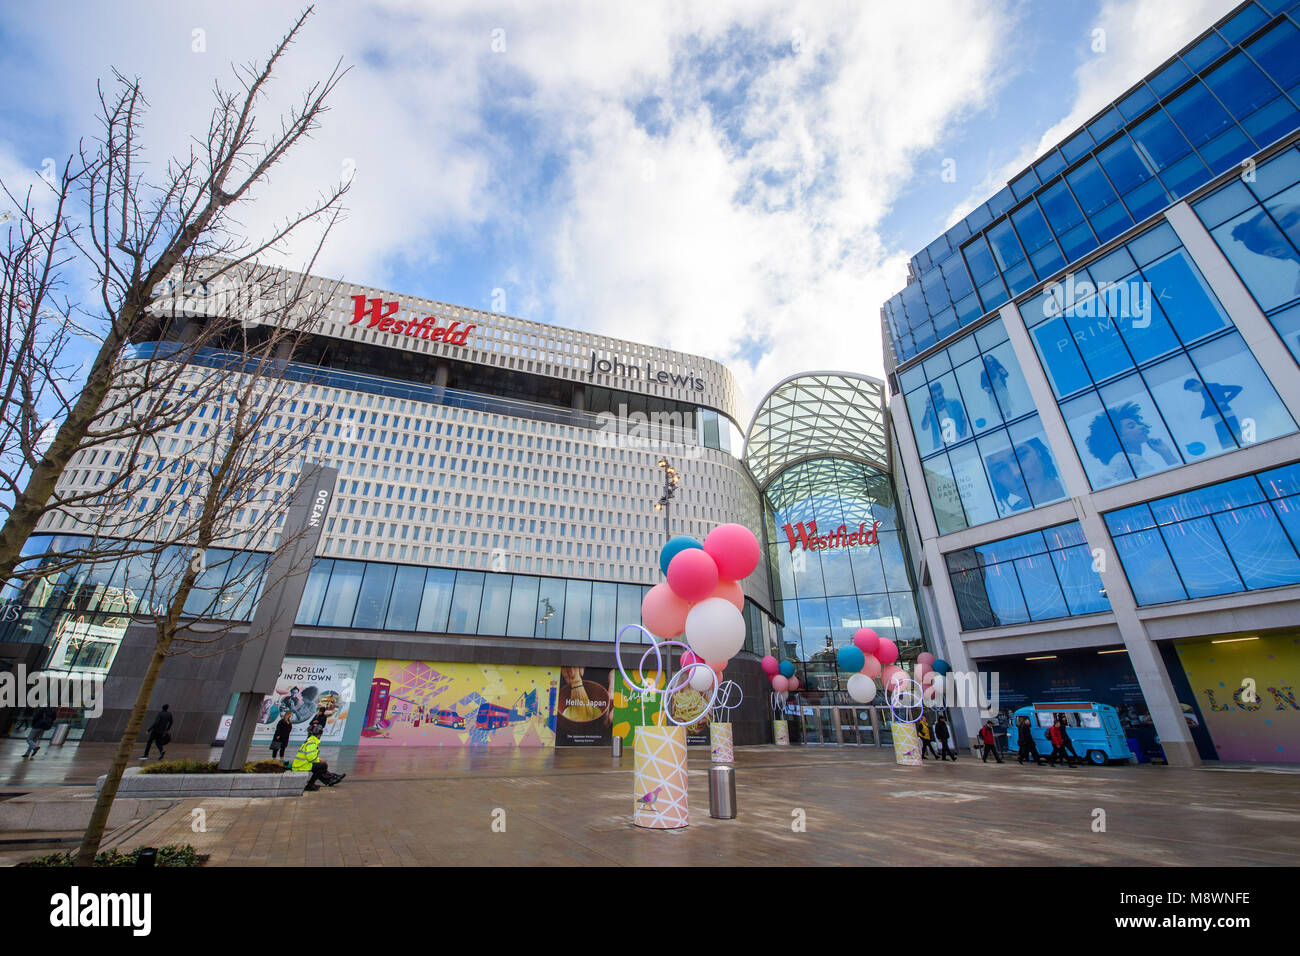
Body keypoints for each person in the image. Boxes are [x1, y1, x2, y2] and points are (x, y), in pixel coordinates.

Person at [1086, 401, 1178, 483]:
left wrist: (1165, 452)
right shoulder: (1124, 460)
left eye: (1138, 424)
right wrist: (1167, 454)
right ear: (1119, 438)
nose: (1141, 427)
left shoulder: (1130, 460)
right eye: (1131, 426)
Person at [1184, 378, 1244, 450]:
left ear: (1196, 384)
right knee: (1229, 444)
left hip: (1225, 418)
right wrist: (1205, 412)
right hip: (1219, 420)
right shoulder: (1205, 390)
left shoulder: (1212, 387)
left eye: (1192, 389)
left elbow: (1237, 388)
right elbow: (1210, 404)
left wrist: (1225, 401)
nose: (1193, 392)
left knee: (1232, 442)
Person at [920, 383, 967, 450]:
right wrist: (927, 408)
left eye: (939, 394)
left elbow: (964, 420)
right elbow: (924, 427)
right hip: (942, 448)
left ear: (942, 391)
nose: (938, 398)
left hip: (958, 442)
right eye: (935, 396)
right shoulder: (931, 411)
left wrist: (963, 437)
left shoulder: (954, 403)